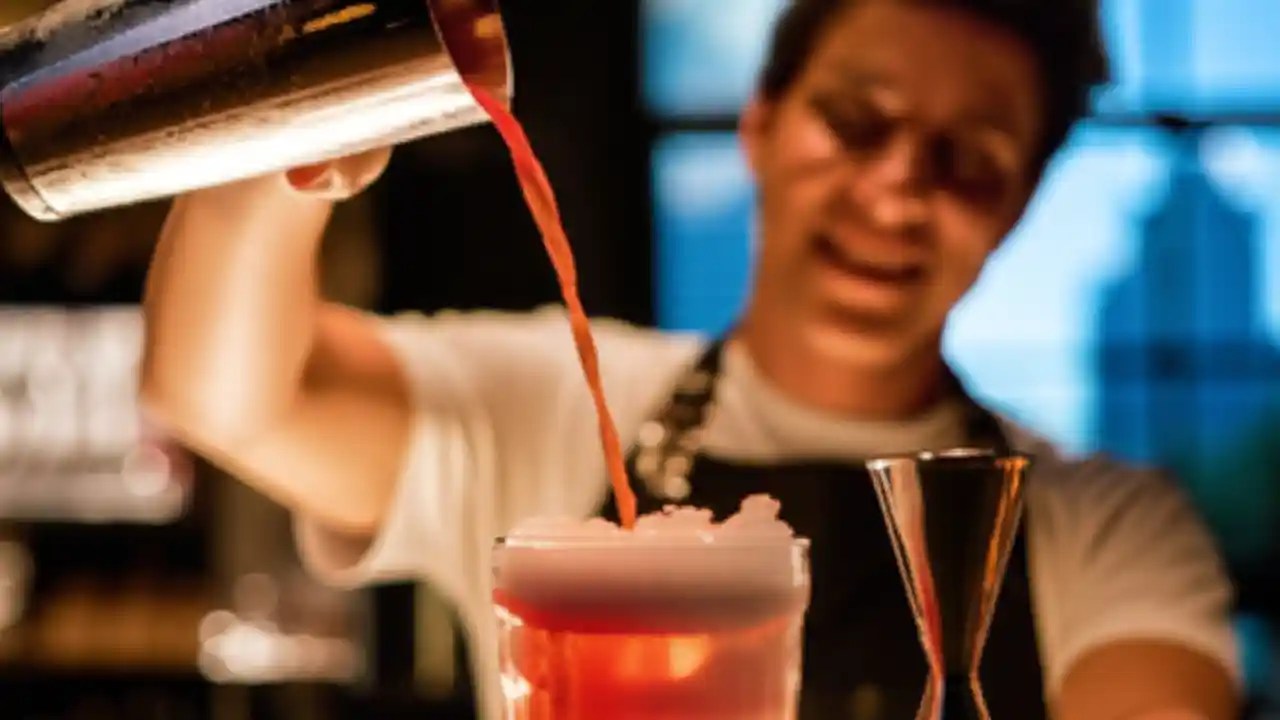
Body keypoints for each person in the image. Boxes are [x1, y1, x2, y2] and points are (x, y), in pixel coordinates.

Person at [139, 0, 1242, 718]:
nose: (898, 185)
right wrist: (287, 120)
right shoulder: (560, 401)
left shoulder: (1102, 524)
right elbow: (227, 393)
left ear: (1019, 203)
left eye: (967, 158)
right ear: (758, 125)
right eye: (854, 120)